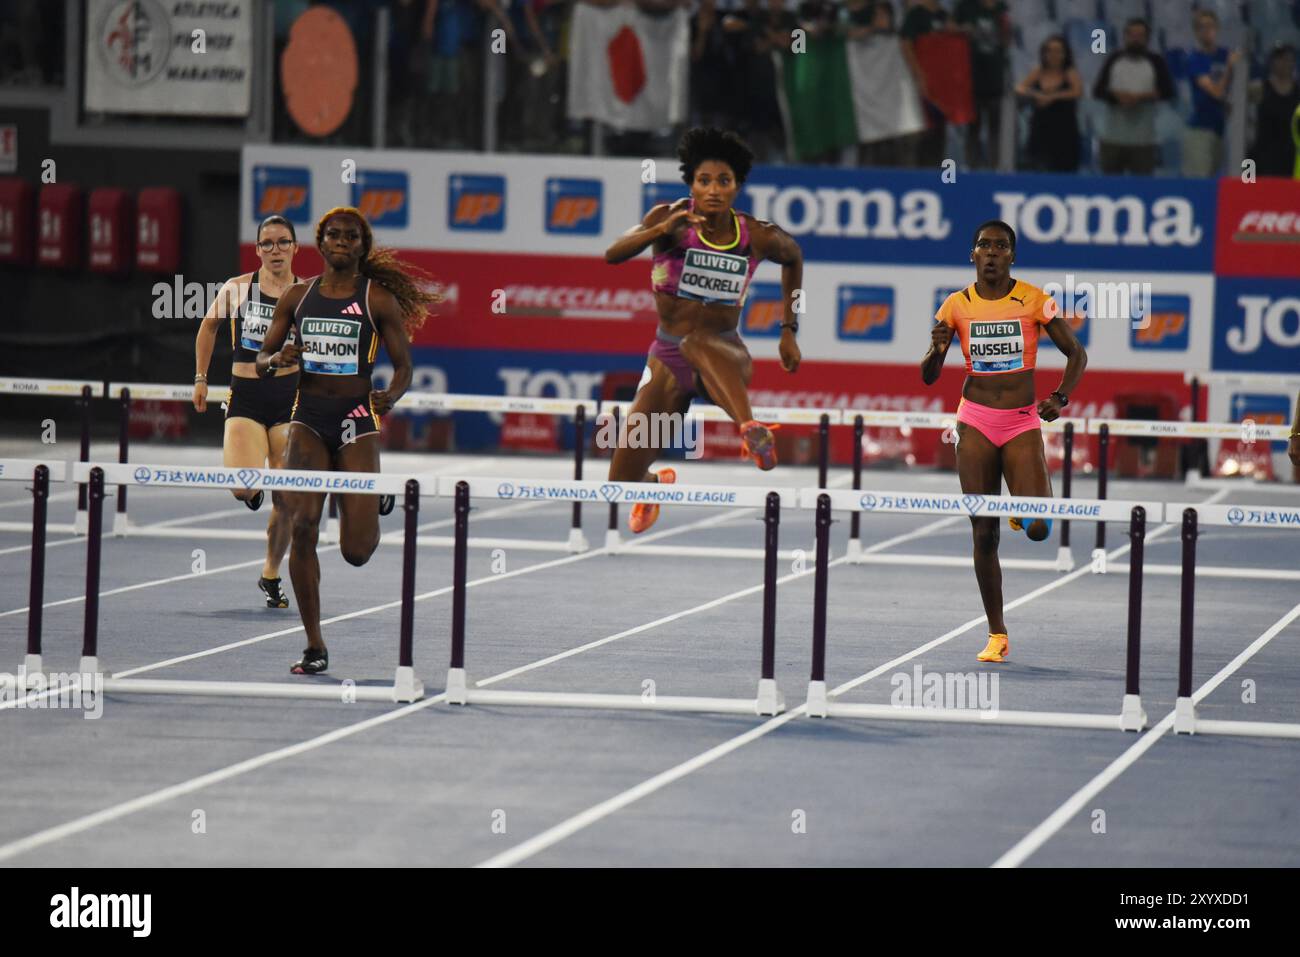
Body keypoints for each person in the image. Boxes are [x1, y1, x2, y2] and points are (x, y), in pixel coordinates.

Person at [258, 207, 438, 675]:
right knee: (302, 526)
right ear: (320, 243)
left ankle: (372, 498)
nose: (341, 241)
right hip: (309, 420)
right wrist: (279, 356)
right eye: (333, 234)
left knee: (357, 553)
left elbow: (404, 366)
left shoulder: (377, 300)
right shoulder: (296, 298)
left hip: (357, 419)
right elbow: (261, 360)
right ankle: (315, 644)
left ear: (362, 245)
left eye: (350, 236)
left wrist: (392, 396)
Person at [604, 127, 802, 533]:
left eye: (723, 181)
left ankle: (750, 430)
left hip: (724, 357)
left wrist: (788, 329)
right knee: (618, 482)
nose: (713, 190)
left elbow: (794, 257)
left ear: (737, 186)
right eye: (704, 180)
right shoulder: (666, 219)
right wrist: (659, 232)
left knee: (698, 342)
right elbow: (613, 255)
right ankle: (653, 485)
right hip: (667, 359)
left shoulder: (755, 235)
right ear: (691, 183)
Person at [922, 220, 1087, 663]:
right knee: (983, 532)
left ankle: (1027, 505)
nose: (992, 252)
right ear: (971, 255)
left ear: (1012, 255)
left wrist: (1061, 396)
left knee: (1037, 528)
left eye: (1001, 246)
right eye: (984, 245)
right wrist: (937, 350)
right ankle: (997, 633)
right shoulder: (955, 306)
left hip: (1020, 421)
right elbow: (928, 376)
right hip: (974, 420)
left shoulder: (1034, 299)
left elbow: (1077, 353)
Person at [193, 214, 301, 610]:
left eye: (283, 242)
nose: (275, 250)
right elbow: (208, 328)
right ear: (257, 250)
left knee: (288, 498)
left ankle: (271, 573)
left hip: (289, 402)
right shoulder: (237, 289)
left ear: (295, 248)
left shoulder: (307, 294)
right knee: (242, 486)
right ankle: (252, 490)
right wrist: (201, 378)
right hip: (247, 400)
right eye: (267, 243)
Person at [1093, 17, 1175, 176]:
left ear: (1147, 38)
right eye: (1132, 34)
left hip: (1143, 139)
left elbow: (1167, 91)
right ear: (1125, 36)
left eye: (1140, 35)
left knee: (1143, 188)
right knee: (1110, 188)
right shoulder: (1114, 59)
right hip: (1113, 137)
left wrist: (1141, 97)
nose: (1136, 39)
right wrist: (1118, 97)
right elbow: (1098, 91)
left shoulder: (1156, 61)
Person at [1181, 9, 1241, 178]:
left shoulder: (1225, 54)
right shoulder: (1195, 59)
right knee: (1199, 180)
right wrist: (1229, 69)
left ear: (1217, 28)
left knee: (1216, 181)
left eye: (1210, 26)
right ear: (1196, 32)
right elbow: (1215, 92)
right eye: (1201, 27)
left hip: (1222, 129)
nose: (1206, 30)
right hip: (1200, 130)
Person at [954, 0, 1010, 169]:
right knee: (973, 129)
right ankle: (972, 168)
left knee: (996, 130)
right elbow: (948, 30)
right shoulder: (965, 7)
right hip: (972, 78)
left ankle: (996, 168)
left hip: (996, 78)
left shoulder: (1001, 8)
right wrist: (963, 30)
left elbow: (1006, 41)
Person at [1016, 34, 1082, 173]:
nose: (1053, 55)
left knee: (1064, 171)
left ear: (1065, 54)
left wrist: (1053, 97)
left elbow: (1077, 92)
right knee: (1037, 168)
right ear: (1044, 53)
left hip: (1064, 132)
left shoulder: (1069, 73)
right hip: (1040, 129)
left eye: (1058, 51)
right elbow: (1020, 88)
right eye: (1049, 50)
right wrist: (1036, 94)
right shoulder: (1038, 71)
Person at [1250, 45, 1299, 178]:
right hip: (1262, 156)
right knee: (1254, 193)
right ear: (1272, 62)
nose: (1285, 63)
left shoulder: (1298, 92)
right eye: (1281, 59)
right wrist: (1247, 174)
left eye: (1289, 59)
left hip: (1291, 158)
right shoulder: (1258, 88)